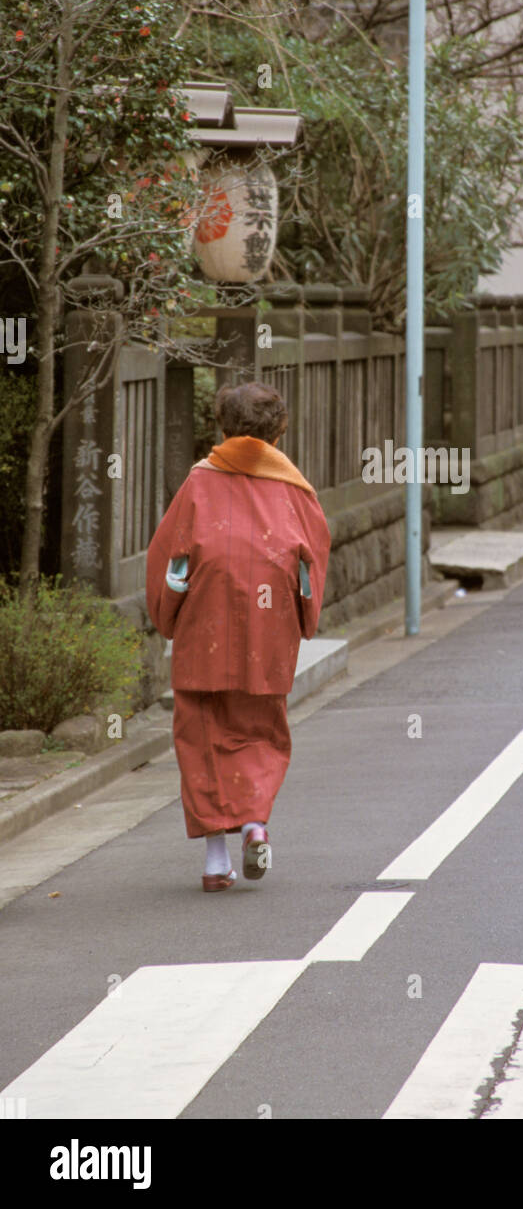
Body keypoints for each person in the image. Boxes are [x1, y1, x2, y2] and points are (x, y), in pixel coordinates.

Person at [146, 380, 331, 892]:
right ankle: (254, 822)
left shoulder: (200, 482)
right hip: (267, 631)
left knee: (200, 731)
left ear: (223, 427)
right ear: (279, 431)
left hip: (206, 622)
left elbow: (172, 558)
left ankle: (214, 858)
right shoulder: (295, 489)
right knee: (258, 727)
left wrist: (167, 615)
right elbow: (310, 562)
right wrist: (304, 617)